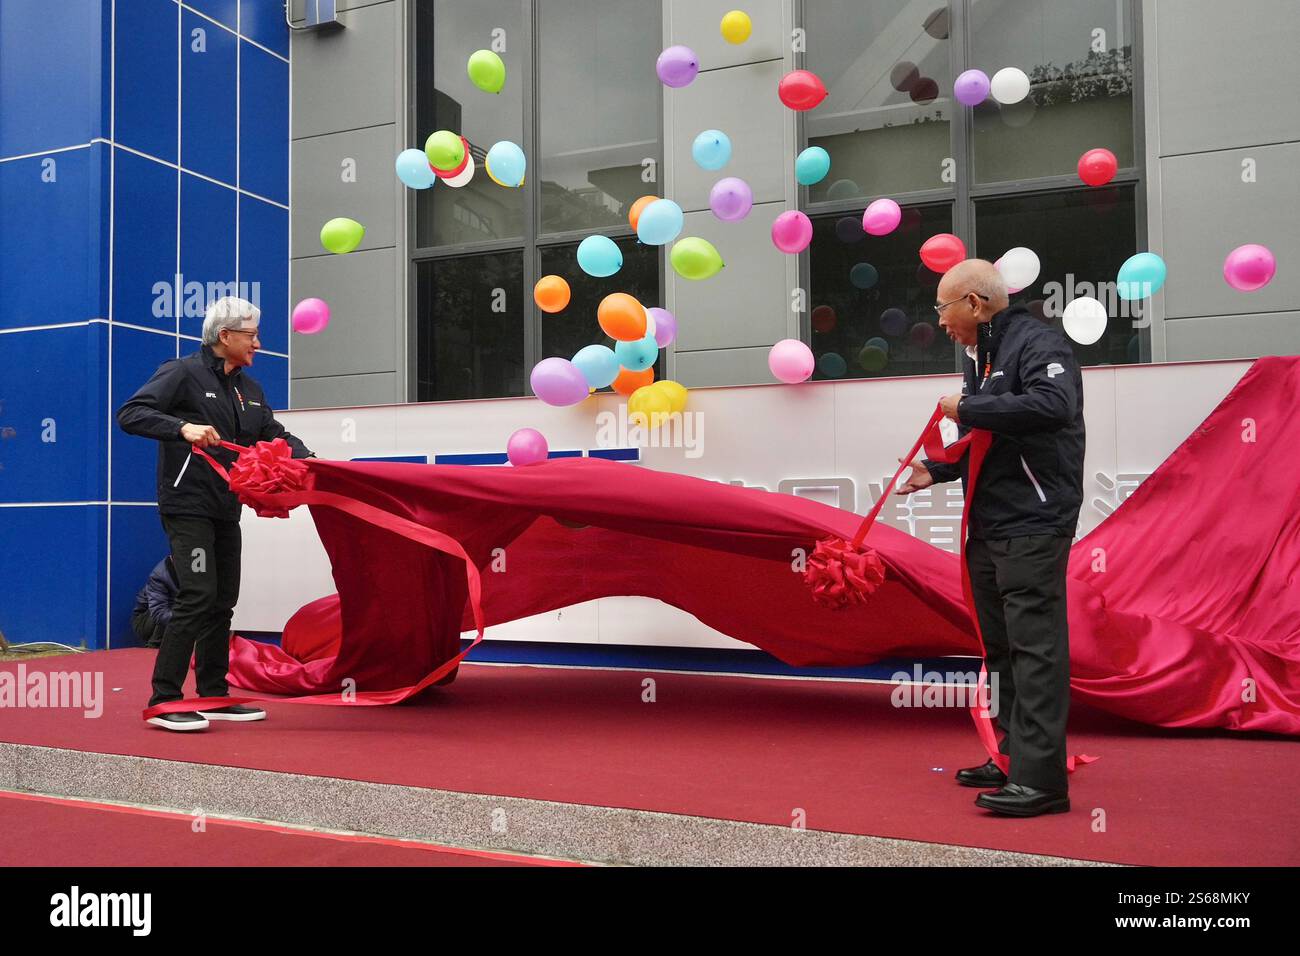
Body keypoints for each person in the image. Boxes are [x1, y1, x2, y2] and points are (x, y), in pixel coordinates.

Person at [897, 259, 1085, 817]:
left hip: (1034, 519)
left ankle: (1043, 781)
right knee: (998, 648)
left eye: (943, 309)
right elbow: (987, 435)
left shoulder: (1037, 343)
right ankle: (1006, 755)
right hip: (991, 519)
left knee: (1035, 650)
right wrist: (942, 469)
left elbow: (1053, 406)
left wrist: (970, 405)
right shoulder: (982, 355)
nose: (942, 322)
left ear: (975, 305)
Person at [117, 296, 315, 732]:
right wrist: (181, 427)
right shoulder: (181, 372)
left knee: (223, 600)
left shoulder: (250, 389)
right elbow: (130, 414)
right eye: (251, 335)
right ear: (224, 336)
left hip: (227, 506)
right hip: (187, 505)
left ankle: (213, 693)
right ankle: (165, 698)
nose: (258, 343)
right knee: (197, 594)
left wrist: (312, 462)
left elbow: (274, 436)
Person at [130, 556, 179, 649]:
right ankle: (153, 645)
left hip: (169, 615)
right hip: (144, 621)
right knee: (179, 607)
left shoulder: (193, 572)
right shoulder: (160, 574)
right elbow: (159, 613)